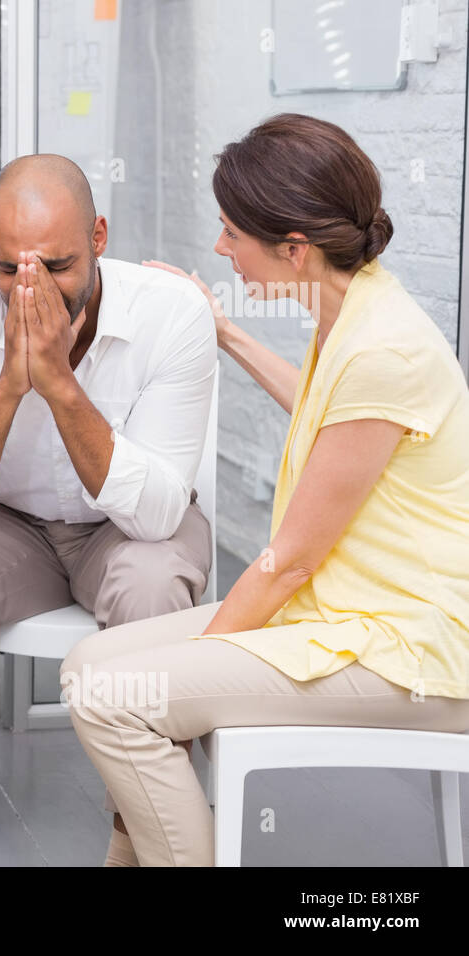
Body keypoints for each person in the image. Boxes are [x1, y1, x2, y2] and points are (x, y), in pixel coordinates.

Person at [62, 112, 469, 866]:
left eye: (231, 233)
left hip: (410, 650)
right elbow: (329, 419)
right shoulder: (357, 305)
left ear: (293, 248)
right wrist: (228, 332)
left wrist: (187, 685)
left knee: (123, 697)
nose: (221, 249)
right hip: (348, 618)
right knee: (89, 669)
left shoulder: (382, 348)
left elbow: (288, 563)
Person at [0, 154, 218, 866]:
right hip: (8, 531)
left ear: (99, 235)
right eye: (9, 267)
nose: (29, 287)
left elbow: (155, 513)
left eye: (56, 264)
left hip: (125, 533)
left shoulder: (169, 313)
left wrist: (60, 385)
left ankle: (134, 839)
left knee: (154, 583)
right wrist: (8, 386)